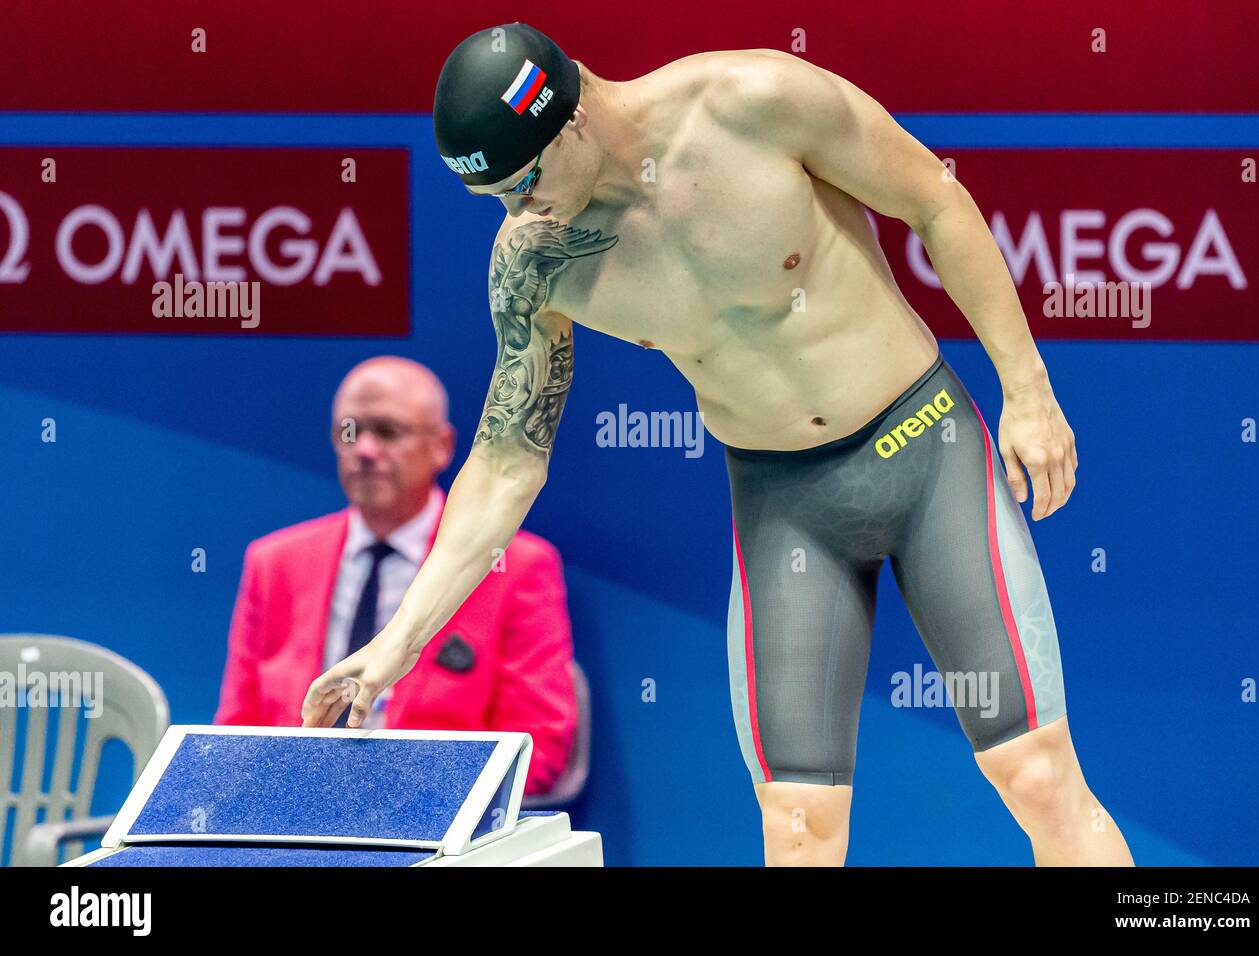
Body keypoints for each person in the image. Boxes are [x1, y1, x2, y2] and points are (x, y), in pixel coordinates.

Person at [303, 22, 1133, 866]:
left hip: (925, 452)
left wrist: (1028, 389)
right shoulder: (534, 261)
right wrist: (392, 648)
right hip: (786, 506)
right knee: (798, 833)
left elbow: (933, 199)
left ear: (574, 115)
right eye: (499, 200)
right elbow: (507, 460)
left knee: (1034, 774)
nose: (521, 214)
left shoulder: (755, 102)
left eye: (524, 182)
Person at [221, 355, 576, 797]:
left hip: (438, 831)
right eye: (349, 431)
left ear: (443, 446)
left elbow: (538, 746)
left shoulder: (516, 565)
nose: (365, 450)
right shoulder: (273, 562)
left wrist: (392, 800)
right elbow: (234, 733)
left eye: (388, 432)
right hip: (289, 809)